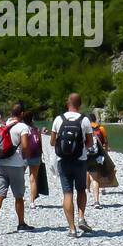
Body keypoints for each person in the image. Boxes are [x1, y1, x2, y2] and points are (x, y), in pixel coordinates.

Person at [50, 93, 94, 237]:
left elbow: (52, 142)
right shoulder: (85, 120)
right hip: (80, 161)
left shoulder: (58, 119)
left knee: (67, 193)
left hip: (63, 161)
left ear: (67, 102)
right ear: (79, 104)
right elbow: (90, 143)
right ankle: (81, 218)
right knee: (81, 190)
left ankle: (72, 228)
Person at [0, 102, 33, 235]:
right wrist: (25, 158)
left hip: (0, 163)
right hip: (16, 165)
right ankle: (21, 223)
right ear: (22, 114)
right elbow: (25, 146)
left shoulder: (4, 125)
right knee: (18, 196)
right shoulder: (22, 127)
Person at [87, 119, 111, 207]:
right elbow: (105, 141)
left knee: (89, 173)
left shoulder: (84, 128)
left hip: (87, 156)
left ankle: (88, 188)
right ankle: (97, 200)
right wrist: (106, 151)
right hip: (98, 154)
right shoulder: (100, 129)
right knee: (97, 175)